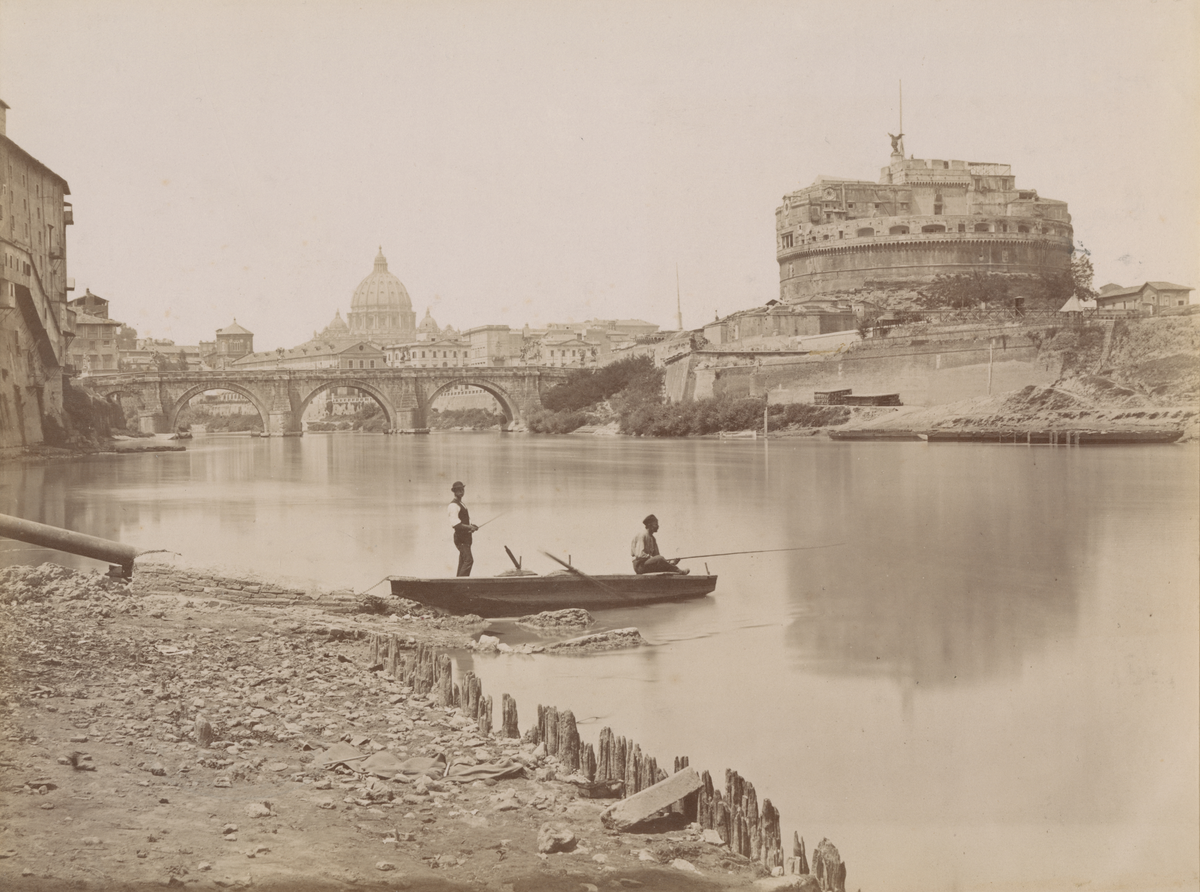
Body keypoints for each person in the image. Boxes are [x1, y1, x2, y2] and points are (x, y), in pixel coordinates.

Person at [448, 481, 478, 577]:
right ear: (454, 492)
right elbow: (456, 525)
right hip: (461, 539)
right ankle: (461, 583)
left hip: (466, 538)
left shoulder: (461, 504)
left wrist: (472, 526)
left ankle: (458, 582)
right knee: (468, 560)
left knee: (463, 561)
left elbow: (464, 522)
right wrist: (469, 527)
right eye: (458, 490)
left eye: (462, 489)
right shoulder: (453, 505)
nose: (461, 492)